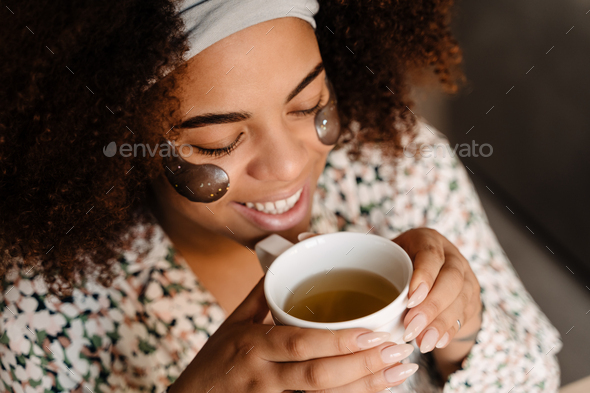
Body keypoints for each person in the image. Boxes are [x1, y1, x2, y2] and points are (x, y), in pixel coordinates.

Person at [0, 0, 562, 392]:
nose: (290, 165)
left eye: (310, 107)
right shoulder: (34, 312)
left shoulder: (400, 169)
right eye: (218, 143)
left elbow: (539, 382)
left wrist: (460, 333)